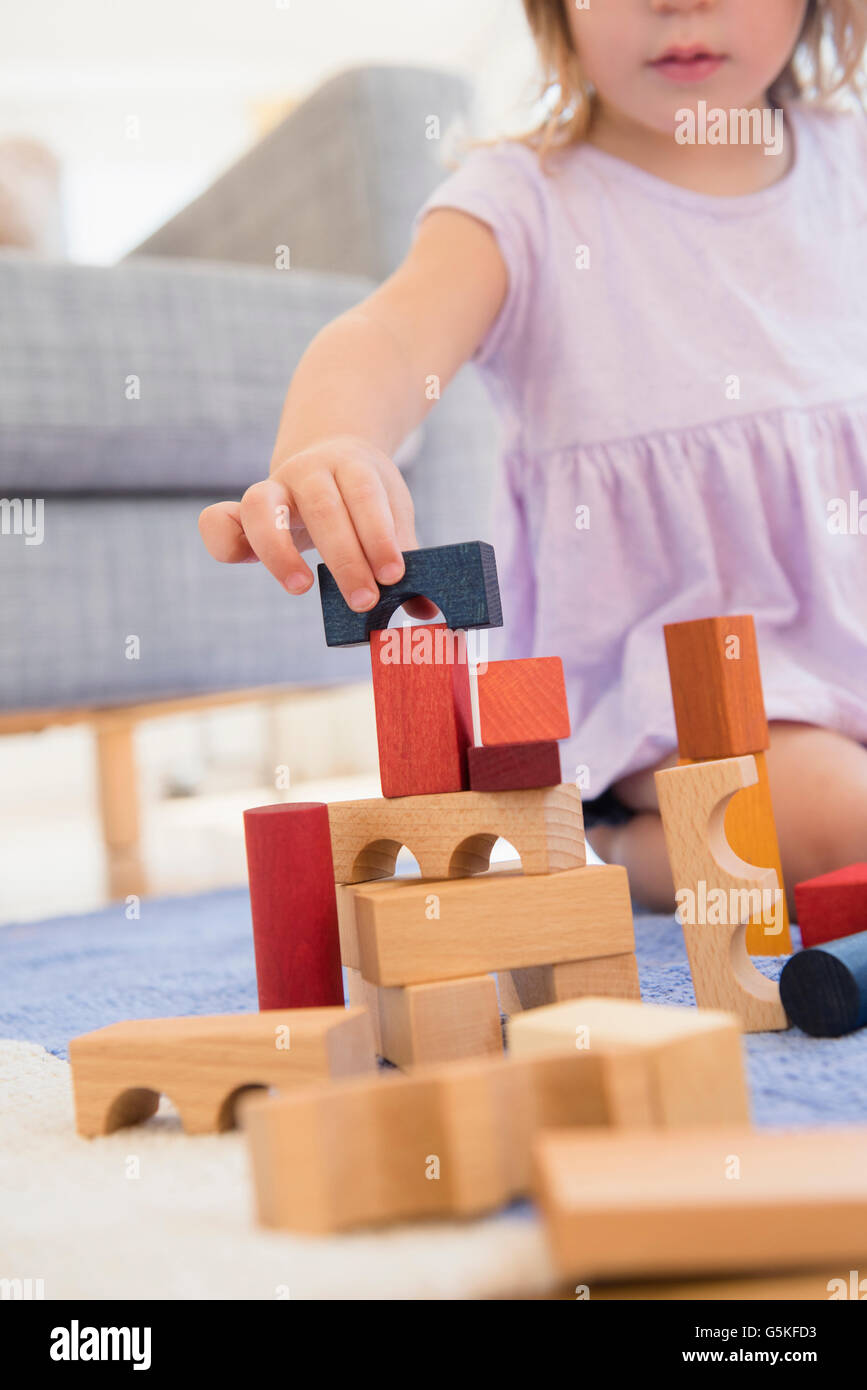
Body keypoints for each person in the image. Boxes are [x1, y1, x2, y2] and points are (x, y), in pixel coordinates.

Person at [200, 0, 867, 912]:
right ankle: (610, 849)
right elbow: (389, 339)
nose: (679, 5)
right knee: (838, 821)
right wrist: (332, 440)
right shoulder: (523, 199)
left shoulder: (849, 157)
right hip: (670, 704)